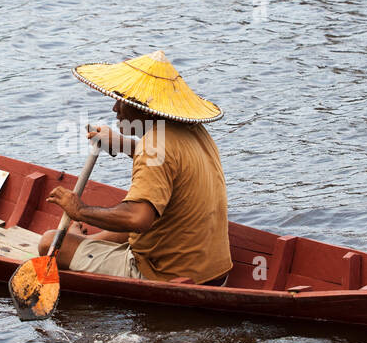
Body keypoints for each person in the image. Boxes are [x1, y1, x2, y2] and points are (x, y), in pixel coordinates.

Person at [41, 50, 232, 285]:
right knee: (134, 214)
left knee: (49, 242)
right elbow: (168, 163)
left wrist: (78, 210)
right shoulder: (194, 130)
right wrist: (123, 145)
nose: (115, 109)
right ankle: (89, 242)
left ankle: (83, 243)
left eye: (121, 101)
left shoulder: (153, 143)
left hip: (165, 274)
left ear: (142, 107)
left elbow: (138, 219)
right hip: (214, 274)